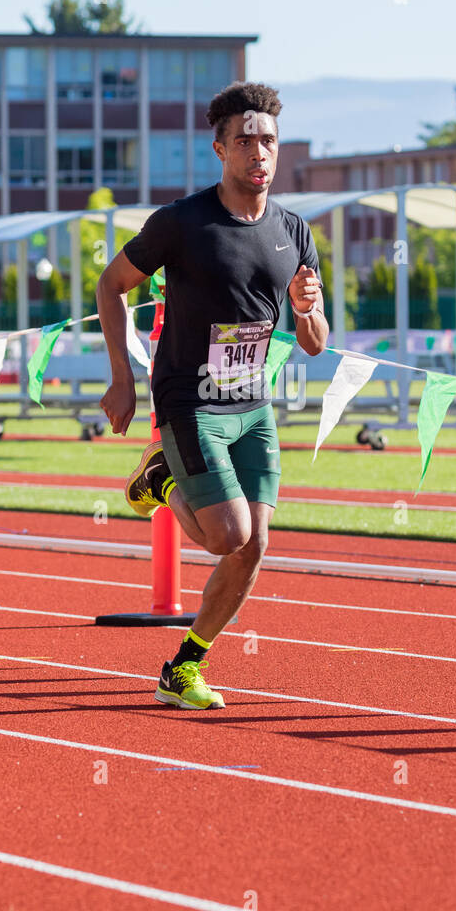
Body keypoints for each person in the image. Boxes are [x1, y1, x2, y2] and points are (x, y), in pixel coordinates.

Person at [96, 82, 329, 710]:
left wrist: (309, 312)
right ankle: (163, 479)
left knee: (257, 546)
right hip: (187, 398)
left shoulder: (294, 232)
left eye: (270, 142)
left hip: (251, 405)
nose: (260, 152)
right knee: (228, 535)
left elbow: (314, 341)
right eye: (246, 141)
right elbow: (111, 284)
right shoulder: (182, 223)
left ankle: (184, 666)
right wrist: (122, 375)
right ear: (220, 149)